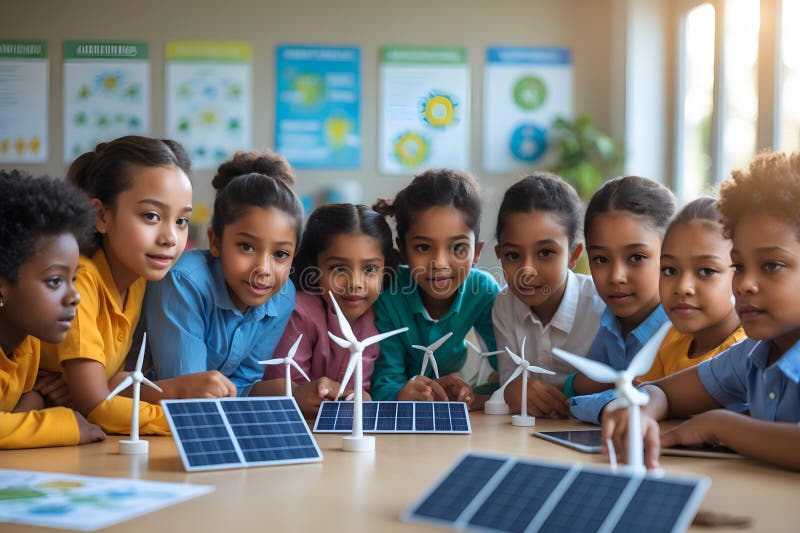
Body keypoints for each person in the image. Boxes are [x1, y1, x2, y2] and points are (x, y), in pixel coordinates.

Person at [602, 152, 800, 471]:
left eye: (771, 265)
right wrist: (640, 410)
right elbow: (661, 391)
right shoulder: (753, 355)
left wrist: (720, 425)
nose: (744, 284)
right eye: (739, 265)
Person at [39, 136, 218, 435]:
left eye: (181, 221)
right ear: (101, 216)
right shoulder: (80, 280)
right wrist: (189, 418)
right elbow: (97, 406)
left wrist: (176, 391)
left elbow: (108, 386)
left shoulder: (135, 279)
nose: (170, 238)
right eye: (151, 216)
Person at [570, 196, 746, 423]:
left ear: (741, 274)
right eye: (670, 270)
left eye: (706, 271)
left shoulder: (745, 351)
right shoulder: (670, 340)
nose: (683, 288)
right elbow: (638, 398)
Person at [145, 152, 302, 397]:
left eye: (280, 254)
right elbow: (187, 390)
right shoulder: (183, 282)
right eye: (246, 247)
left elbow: (242, 383)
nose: (263, 269)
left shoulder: (283, 296)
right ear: (215, 242)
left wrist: (270, 392)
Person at [370, 169, 500, 406]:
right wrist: (401, 395)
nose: (439, 264)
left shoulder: (482, 291)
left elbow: (508, 368)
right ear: (403, 249)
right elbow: (383, 382)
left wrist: (473, 394)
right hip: (399, 413)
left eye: (458, 248)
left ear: (477, 252)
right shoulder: (387, 292)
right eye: (423, 247)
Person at [258, 203, 398, 416]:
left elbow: (368, 388)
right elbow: (283, 384)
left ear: (385, 270)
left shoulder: (380, 317)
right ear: (314, 270)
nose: (355, 284)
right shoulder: (300, 313)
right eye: (339, 269)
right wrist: (302, 393)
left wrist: (364, 396)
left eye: (370, 269)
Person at [0, 170, 106, 448]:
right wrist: (64, 424)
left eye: (73, 279)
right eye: (55, 281)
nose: (75, 297)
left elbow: (18, 406)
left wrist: (36, 398)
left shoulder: (27, 343)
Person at [492, 173, 605, 419]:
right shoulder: (504, 305)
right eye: (513, 255)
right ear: (499, 254)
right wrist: (515, 390)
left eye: (545, 253)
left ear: (574, 255)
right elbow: (510, 382)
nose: (527, 270)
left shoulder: (601, 306)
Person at [564, 176, 676, 400]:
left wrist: (582, 395)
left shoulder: (681, 331)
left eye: (636, 257)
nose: (616, 277)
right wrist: (571, 387)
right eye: (601, 259)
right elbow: (585, 387)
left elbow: (639, 403)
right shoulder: (607, 323)